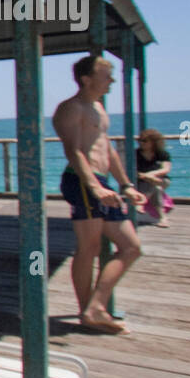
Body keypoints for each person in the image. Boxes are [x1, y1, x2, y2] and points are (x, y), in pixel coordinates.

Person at [52, 55, 146, 333]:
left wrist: (126, 184)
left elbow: (107, 149)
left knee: (131, 247)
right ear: (86, 79)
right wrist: (94, 185)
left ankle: (95, 307)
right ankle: (89, 311)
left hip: (103, 183)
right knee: (89, 249)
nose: (112, 81)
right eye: (107, 76)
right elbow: (74, 150)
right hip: (83, 181)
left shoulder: (98, 109)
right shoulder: (71, 108)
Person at [135, 128, 173, 227]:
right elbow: (132, 171)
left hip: (161, 180)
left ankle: (141, 203)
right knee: (156, 187)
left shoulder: (162, 154)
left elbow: (166, 169)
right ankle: (163, 218)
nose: (141, 143)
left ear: (153, 142)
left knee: (156, 183)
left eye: (144, 141)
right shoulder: (135, 154)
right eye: (139, 140)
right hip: (142, 181)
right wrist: (147, 177)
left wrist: (151, 175)